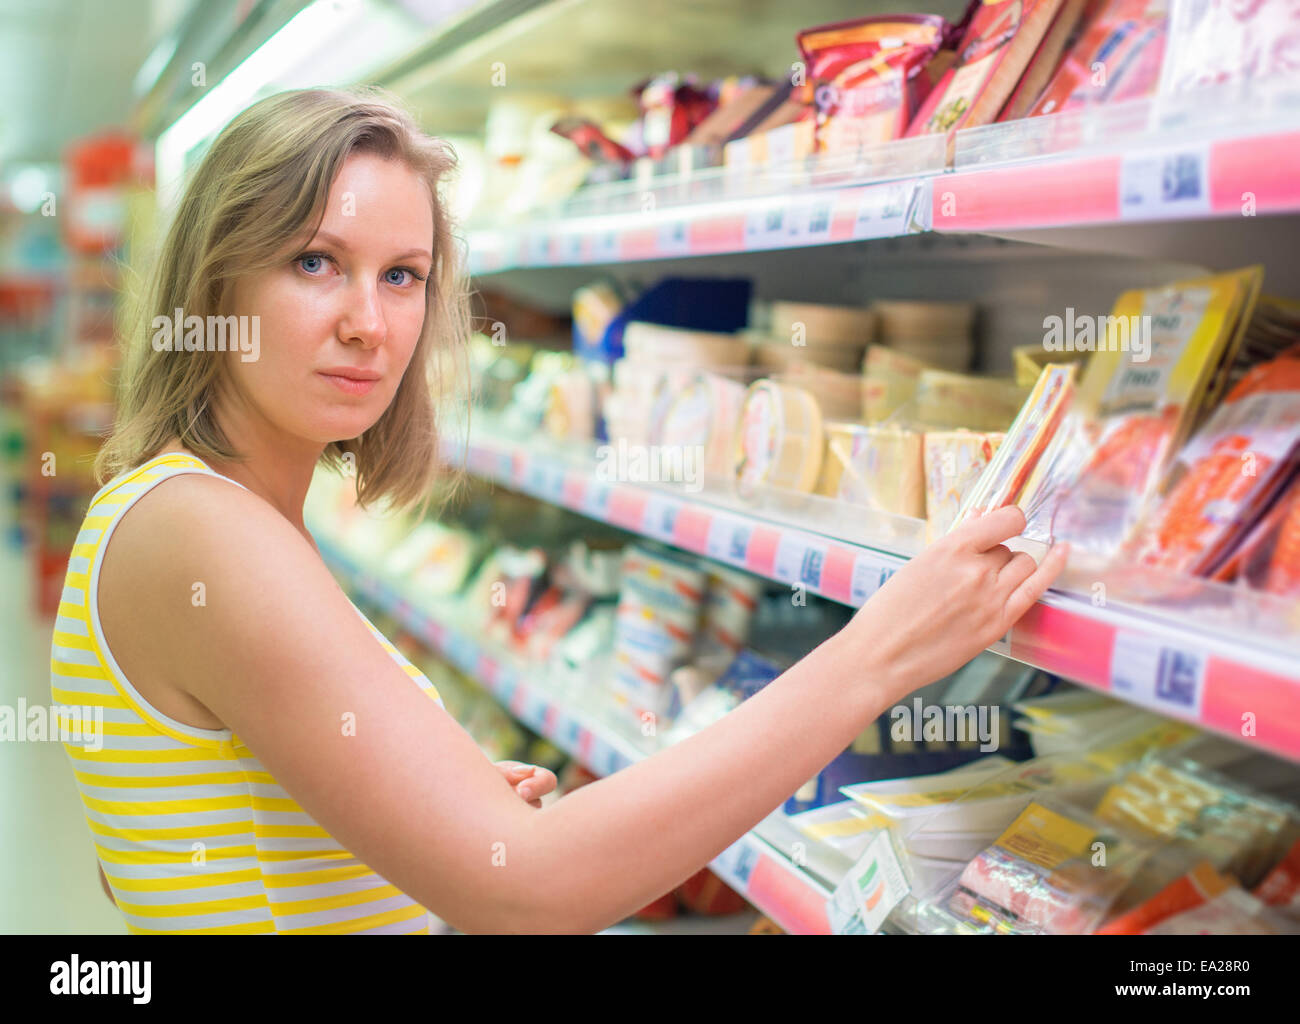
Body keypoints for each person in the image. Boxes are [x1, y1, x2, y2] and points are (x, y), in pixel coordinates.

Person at [53, 87, 1066, 935]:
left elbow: (151, 852)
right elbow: (528, 887)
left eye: (402, 276)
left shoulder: (178, 507)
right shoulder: (208, 535)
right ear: (214, 277)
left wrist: (409, 804)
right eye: (314, 262)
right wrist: (878, 652)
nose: (368, 324)